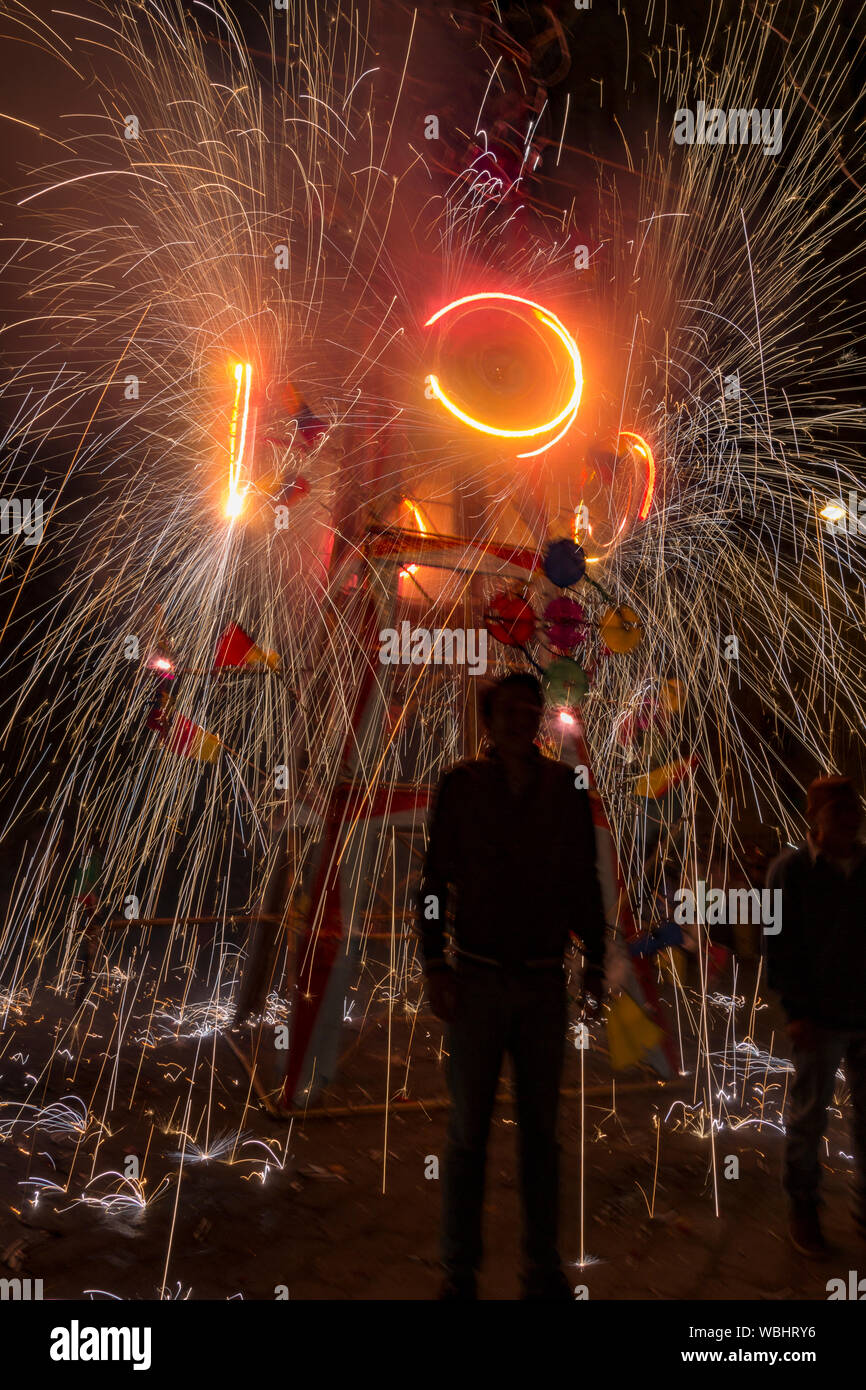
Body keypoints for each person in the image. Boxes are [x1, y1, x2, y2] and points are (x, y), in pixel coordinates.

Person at [417, 671, 607, 1299]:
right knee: (469, 1132)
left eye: (530, 708)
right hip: (475, 978)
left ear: (540, 718)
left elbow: (584, 883)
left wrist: (598, 963)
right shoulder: (461, 786)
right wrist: (434, 964)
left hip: (542, 982)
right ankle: (459, 1270)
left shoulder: (565, 789)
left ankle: (542, 1266)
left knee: (539, 1134)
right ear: (489, 719)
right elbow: (433, 884)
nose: (520, 718)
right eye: (508, 709)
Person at [766, 775, 866, 1256]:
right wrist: (795, 1010)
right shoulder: (789, 872)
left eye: (854, 809)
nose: (851, 819)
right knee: (810, 1116)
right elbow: (779, 947)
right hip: (819, 1016)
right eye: (839, 811)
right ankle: (803, 1206)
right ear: (816, 819)